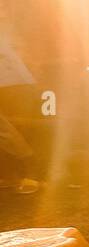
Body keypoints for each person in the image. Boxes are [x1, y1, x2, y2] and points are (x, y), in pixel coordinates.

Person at [0, 23, 37, 195]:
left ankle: (29, 170)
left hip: (11, 81)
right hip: (13, 79)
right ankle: (12, 173)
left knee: (5, 130)